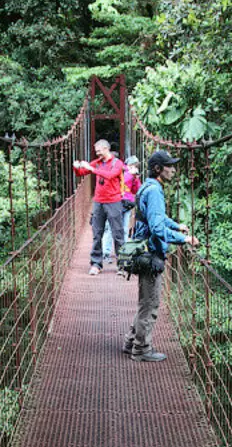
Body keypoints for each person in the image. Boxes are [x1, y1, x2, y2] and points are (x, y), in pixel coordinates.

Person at [124, 149, 198, 362]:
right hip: (152, 253)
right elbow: (157, 227)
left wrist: (176, 226)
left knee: (144, 301)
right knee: (151, 303)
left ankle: (131, 341)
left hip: (141, 250)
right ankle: (141, 349)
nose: (173, 170)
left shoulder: (146, 186)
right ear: (158, 169)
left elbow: (156, 216)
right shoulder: (155, 191)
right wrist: (184, 239)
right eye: (169, 166)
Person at [74, 139, 127, 275]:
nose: (97, 154)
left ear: (106, 149)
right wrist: (77, 166)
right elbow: (81, 173)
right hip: (98, 202)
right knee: (97, 233)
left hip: (114, 202)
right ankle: (96, 264)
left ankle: (122, 265)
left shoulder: (117, 163)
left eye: (99, 151)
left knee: (118, 234)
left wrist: (92, 169)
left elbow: (110, 176)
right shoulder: (97, 163)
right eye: (96, 151)